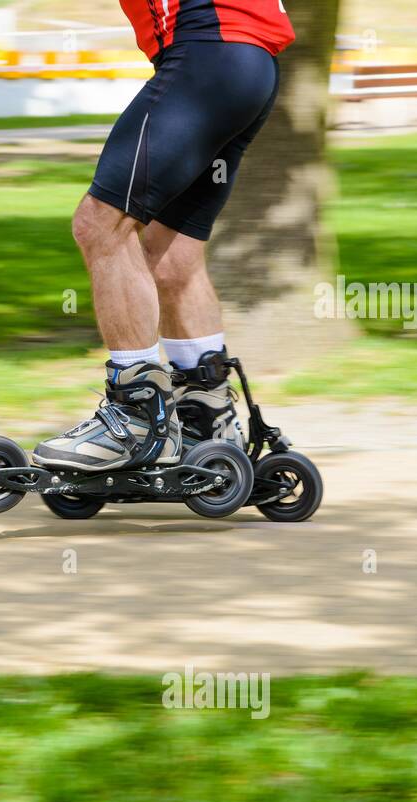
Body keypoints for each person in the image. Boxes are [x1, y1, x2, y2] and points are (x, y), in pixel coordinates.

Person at [33, 0, 295, 472]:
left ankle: (135, 420)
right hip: (247, 66)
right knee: (169, 257)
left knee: (100, 225)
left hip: (207, 55)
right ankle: (207, 417)